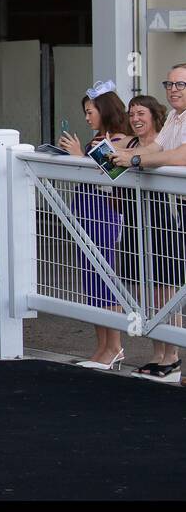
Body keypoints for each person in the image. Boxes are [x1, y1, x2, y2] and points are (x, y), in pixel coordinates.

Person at [58, 81, 132, 369]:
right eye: (85, 112)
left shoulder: (122, 139)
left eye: (91, 112)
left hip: (104, 215)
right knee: (91, 280)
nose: (87, 118)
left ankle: (114, 346)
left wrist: (80, 156)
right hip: (86, 211)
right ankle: (101, 346)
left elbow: (111, 174)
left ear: (105, 110)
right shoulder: (97, 139)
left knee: (105, 279)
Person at [117, 94, 182, 381]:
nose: (135, 118)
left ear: (153, 115)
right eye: (131, 114)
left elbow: (169, 156)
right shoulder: (132, 143)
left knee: (166, 289)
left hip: (164, 219)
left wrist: (135, 158)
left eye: (140, 113)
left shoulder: (161, 138)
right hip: (135, 221)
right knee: (146, 291)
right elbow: (113, 171)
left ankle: (173, 356)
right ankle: (158, 353)